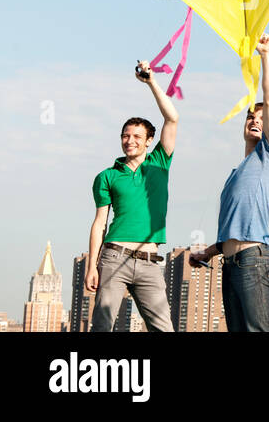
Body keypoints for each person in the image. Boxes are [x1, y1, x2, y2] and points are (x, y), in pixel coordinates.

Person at [190, 35, 269, 332]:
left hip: (253, 261)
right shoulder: (237, 172)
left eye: (260, 118)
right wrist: (208, 253)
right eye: (249, 117)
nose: (255, 120)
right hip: (231, 264)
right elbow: (235, 225)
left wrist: (266, 55)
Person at [87, 59, 178, 332]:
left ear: (149, 140)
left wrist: (151, 81)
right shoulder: (107, 176)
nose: (130, 141)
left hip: (150, 262)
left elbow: (172, 118)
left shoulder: (160, 162)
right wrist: (92, 265)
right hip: (114, 256)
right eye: (126, 136)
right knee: (102, 326)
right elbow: (99, 223)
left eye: (137, 136)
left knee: (164, 328)